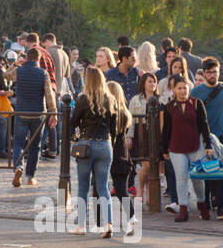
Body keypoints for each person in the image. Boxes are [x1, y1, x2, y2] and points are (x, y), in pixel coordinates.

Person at [67, 67, 119, 237]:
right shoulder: (111, 100)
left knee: (83, 187)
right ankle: (108, 223)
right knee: (103, 187)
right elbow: (115, 129)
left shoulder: (83, 99)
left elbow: (72, 122)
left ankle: (81, 225)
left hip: (87, 145)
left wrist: (76, 133)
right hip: (105, 144)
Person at [160, 75, 215, 222]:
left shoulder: (197, 103)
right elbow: (166, 129)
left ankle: (202, 204)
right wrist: (164, 150)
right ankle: (183, 208)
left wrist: (208, 145)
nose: (182, 91)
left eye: (185, 88)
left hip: (195, 146)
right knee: (181, 177)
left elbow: (204, 125)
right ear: (174, 90)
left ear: (189, 89)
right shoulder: (170, 107)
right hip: (176, 147)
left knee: (198, 178)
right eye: (179, 88)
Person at [191, 57, 223, 219]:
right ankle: (206, 207)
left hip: (222, 136)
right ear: (204, 73)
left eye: (215, 72)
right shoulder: (196, 92)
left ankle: (222, 207)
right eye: (209, 72)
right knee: (204, 173)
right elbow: (191, 115)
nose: (212, 75)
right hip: (204, 138)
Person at [10, 47, 57, 188]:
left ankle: (18, 167)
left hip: (21, 112)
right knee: (35, 145)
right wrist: (53, 113)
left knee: (18, 143)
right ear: (38, 59)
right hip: (38, 113)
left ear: (27, 58)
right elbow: (49, 95)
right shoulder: (43, 73)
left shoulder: (19, 71)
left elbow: (6, 75)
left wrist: (16, 63)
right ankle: (30, 177)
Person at [127, 72, 164, 211]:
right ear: (143, 83)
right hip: (141, 133)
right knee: (147, 164)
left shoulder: (161, 99)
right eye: (149, 81)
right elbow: (131, 121)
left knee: (154, 165)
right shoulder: (136, 100)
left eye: (154, 82)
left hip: (156, 134)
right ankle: (140, 190)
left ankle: (150, 193)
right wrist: (129, 136)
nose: (152, 84)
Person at [108, 80, 137, 236]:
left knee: (106, 189)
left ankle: (103, 222)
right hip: (123, 154)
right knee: (121, 190)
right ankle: (131, 218)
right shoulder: (125, 113)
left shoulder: (111, 113)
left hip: (112, 153)